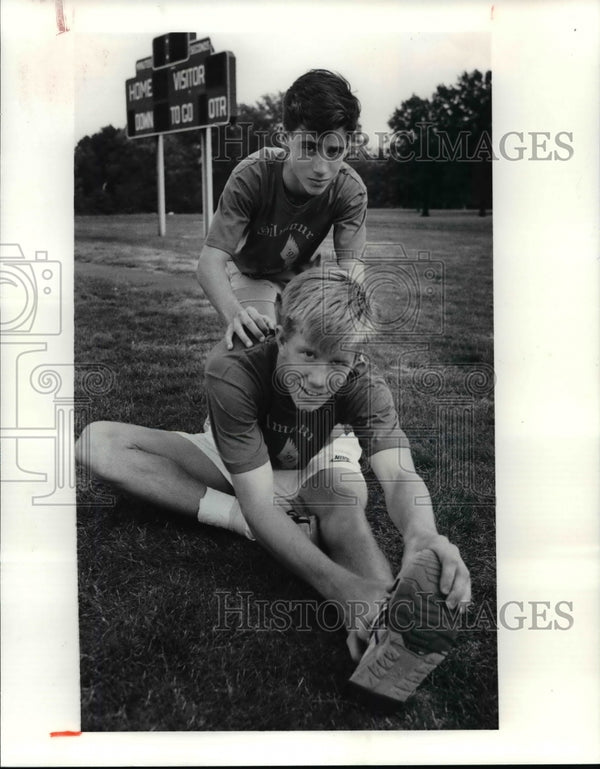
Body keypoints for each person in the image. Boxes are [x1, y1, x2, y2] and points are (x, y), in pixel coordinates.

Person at [75, 268, 471, 698]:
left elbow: (399, 475)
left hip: (320, 456)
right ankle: (246, 524)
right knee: (97, 442)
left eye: (338, 361)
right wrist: (343, 589)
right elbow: (259, 501)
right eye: (308, 354)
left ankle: (388, 632)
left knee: (341, 507)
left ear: (356, 359)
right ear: (281, 337)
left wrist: (424, 534)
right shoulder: (233, 366)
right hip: (244, 462)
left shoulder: (364, 383)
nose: (320, 378)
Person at [196, 69, 368, 350]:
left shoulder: (350, 189)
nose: (321, 169)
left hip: (306, 279)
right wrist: (235, 315)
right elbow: (209, 263)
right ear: (285, 137)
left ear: (348, 145)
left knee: (319, 347)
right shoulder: (252, 175)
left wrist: (350, 321)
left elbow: (352, 272)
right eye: (308, 147)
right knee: (260, 346)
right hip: (253, 273)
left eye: (334, 151)